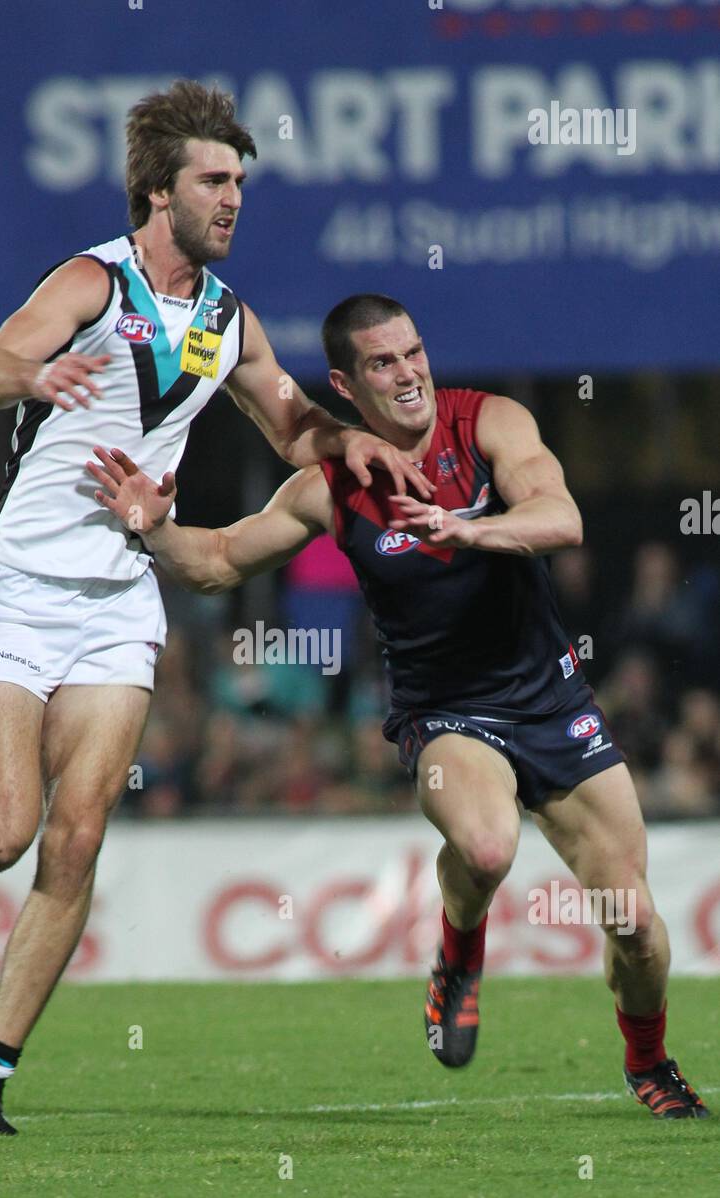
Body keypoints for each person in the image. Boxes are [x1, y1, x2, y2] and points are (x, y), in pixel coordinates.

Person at [0, 84, 429, 1137]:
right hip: (19, 590)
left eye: (239, 181)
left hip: (117, 603)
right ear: (158, 192)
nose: (232, 199)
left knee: (81, 831)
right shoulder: (93, 280)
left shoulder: (229, 320)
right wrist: (26, 375)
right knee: (7, 830)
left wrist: (354, 442)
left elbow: (291, 425)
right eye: (213, 181)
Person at [86, 293, 708, 1121]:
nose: (408, 372)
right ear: (345, 385)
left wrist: (473, 531)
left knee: (634, 924)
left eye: (413, 351)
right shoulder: (330, 486)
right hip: (445, 713)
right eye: (383, 363)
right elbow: (223, 558)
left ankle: (649, 1062)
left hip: (554, 704)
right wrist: (155, 530)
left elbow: (562, 518)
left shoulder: (489, 423)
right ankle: (459, 949)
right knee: (486, 849)